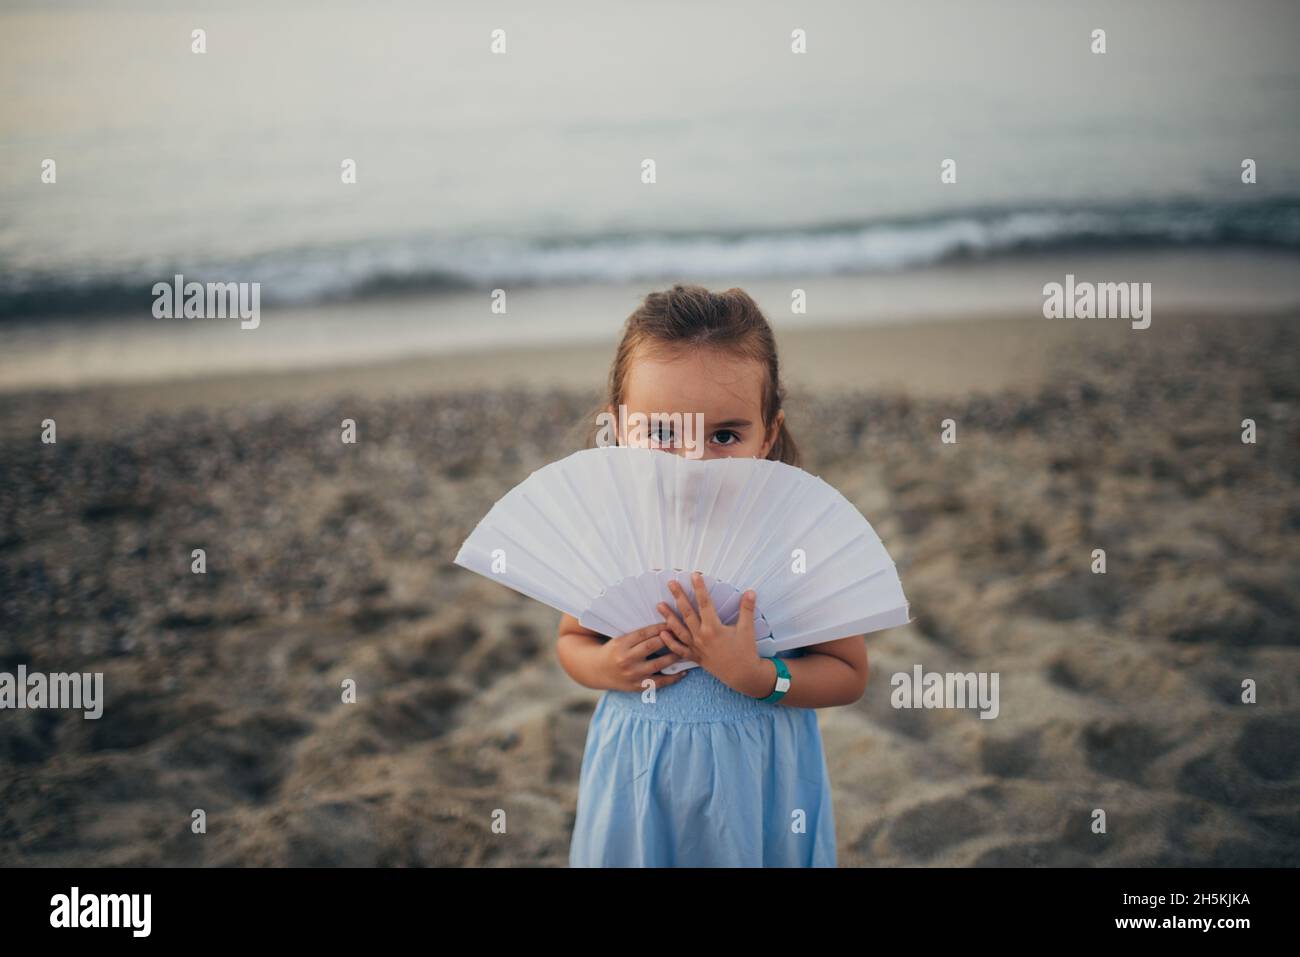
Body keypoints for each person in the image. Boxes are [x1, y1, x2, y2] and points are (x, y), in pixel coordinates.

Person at [557, 283, 870, 866]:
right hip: (639, 774)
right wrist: (606, 666)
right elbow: (572, 641)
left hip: (756, 778)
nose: (693, 461)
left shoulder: (790, 544)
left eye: (725, 435)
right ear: (619, 429)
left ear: (767, 435)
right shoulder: (614, 534)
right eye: (662, 432)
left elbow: (849, 673)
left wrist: (759, 677)